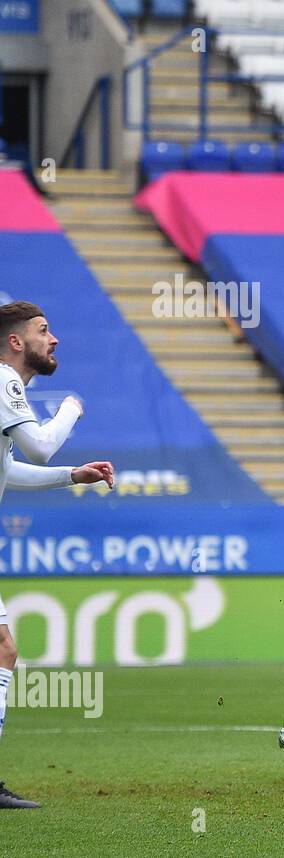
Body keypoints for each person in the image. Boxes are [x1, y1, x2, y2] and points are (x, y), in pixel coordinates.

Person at [0, 301, 116, 809]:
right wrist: (71, 407)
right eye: (44, 331)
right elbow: (40, 448)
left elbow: (13, 472)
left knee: (2, 650)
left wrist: (71, 476)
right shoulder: (4, 380)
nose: (56, 339)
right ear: (15, 342)